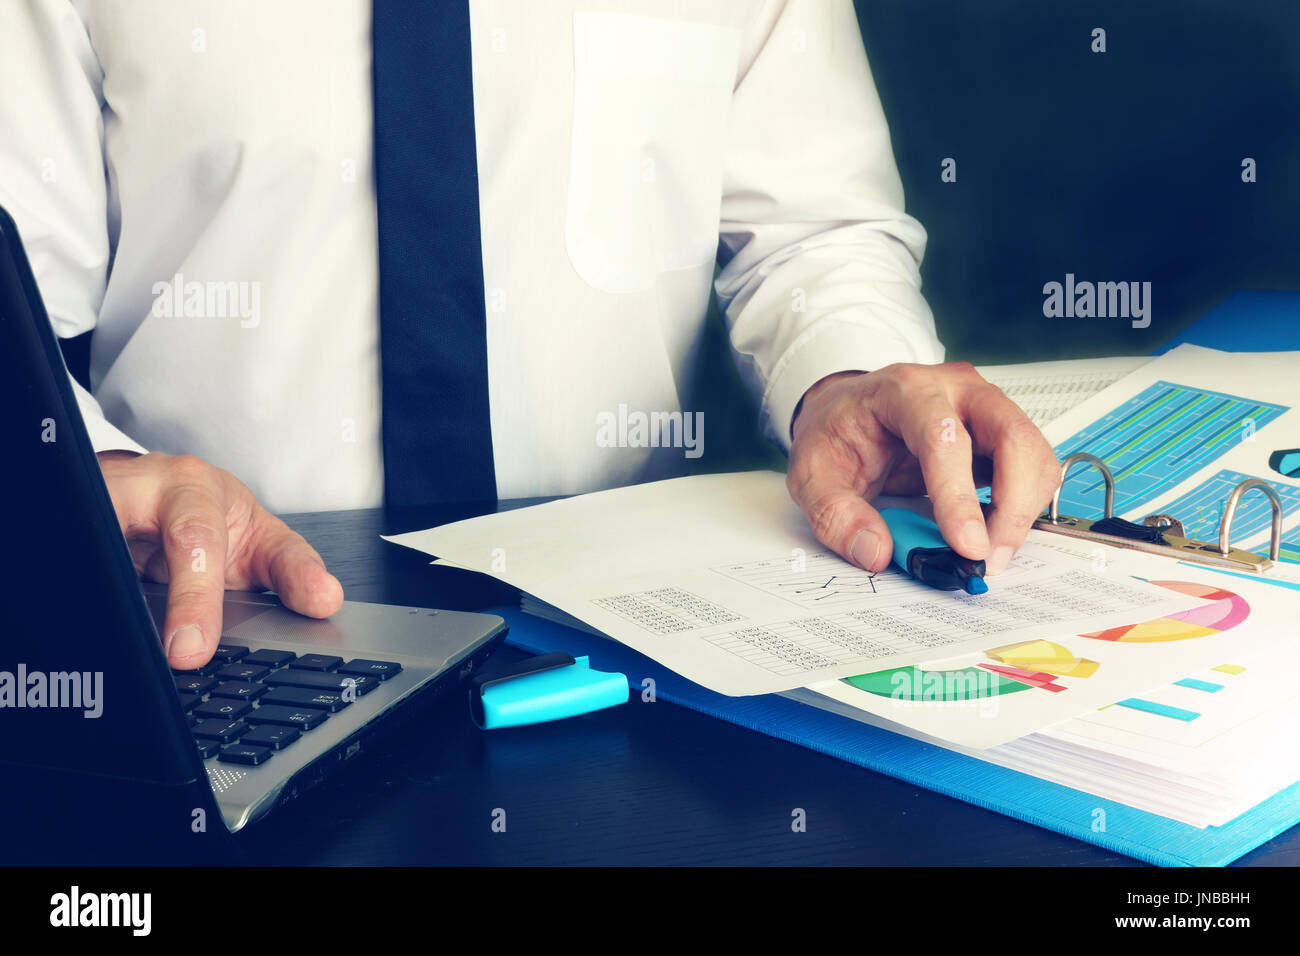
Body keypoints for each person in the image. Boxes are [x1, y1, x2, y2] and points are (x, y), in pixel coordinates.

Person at [0, 0, 1060, 670]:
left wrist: (849, 371)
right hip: (214, 618)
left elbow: (811, 227)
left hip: (638, 638)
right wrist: (99, 470)